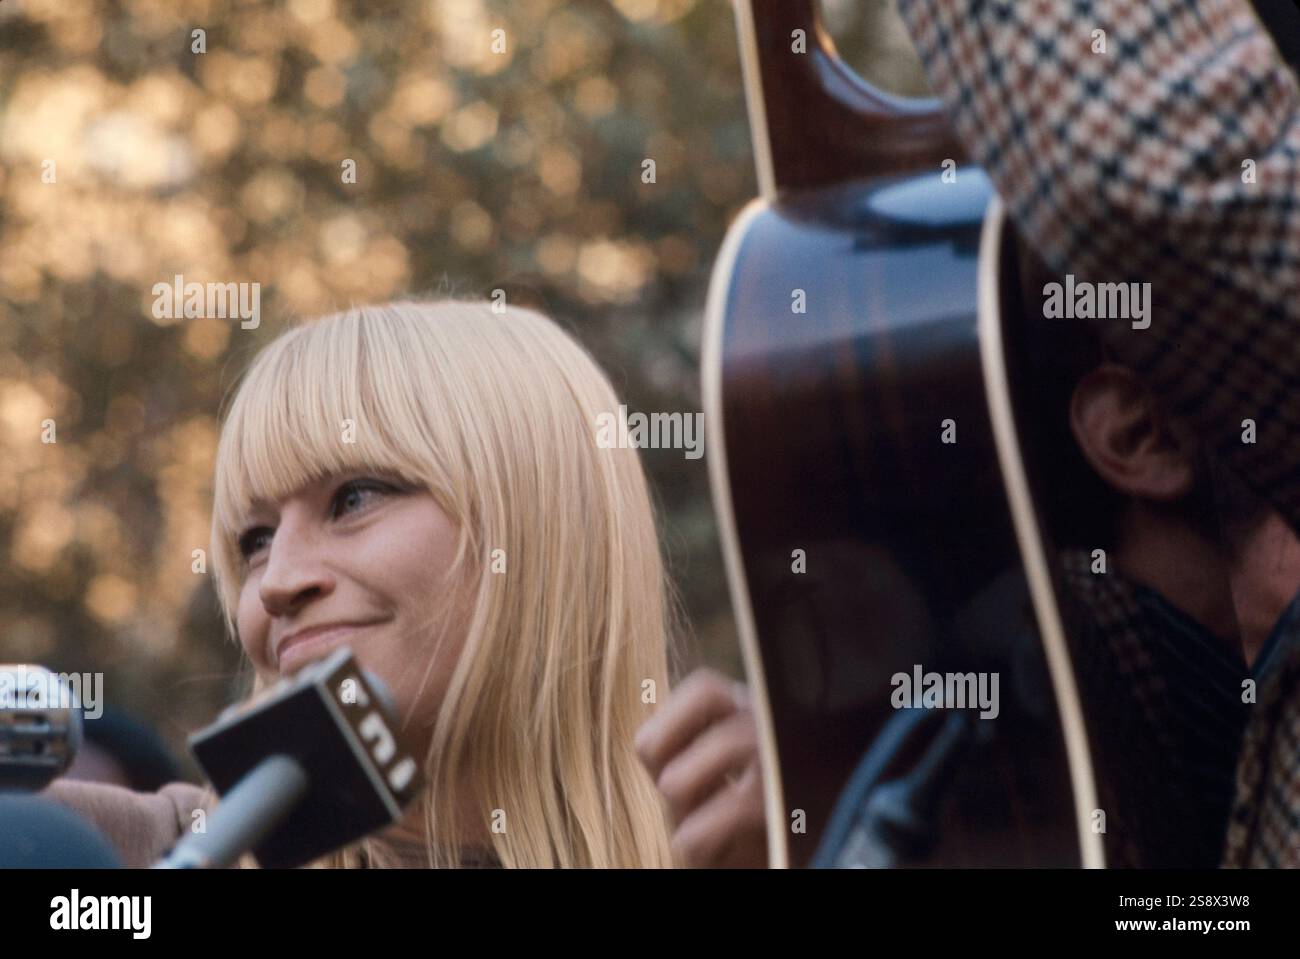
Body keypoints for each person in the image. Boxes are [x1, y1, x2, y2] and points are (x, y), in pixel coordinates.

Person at [45, 299, 691, 868]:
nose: (277, 582)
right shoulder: (104, 854)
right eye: (256, 541)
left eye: (354, 498)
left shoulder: (757, 845)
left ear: (544, 525)